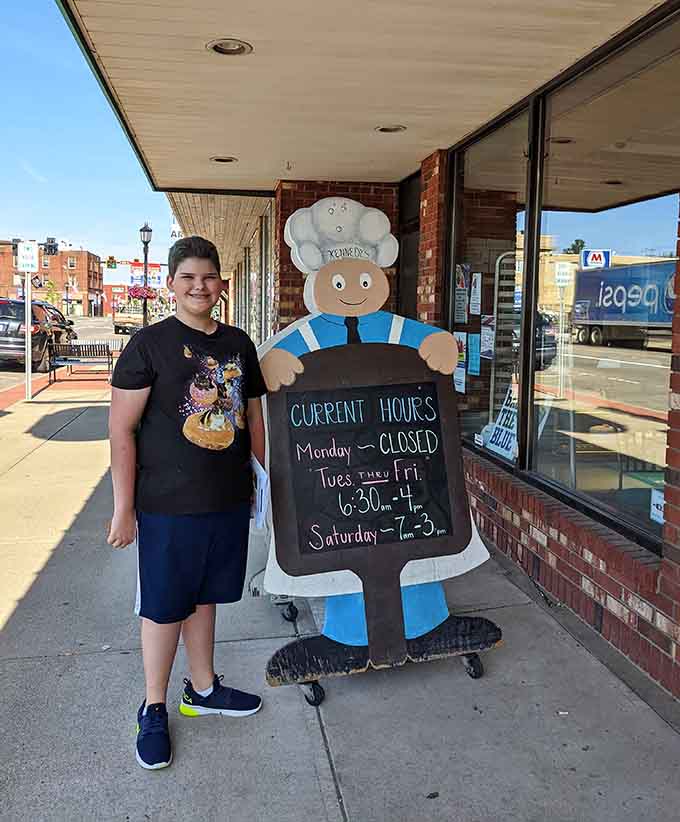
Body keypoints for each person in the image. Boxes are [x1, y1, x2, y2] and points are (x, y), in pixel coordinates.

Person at [107, 235, 267, 770]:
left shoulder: (240, 345)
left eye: (209, 277)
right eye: (188, 277)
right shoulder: (148, 346)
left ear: (222, 284)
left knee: (206, 597)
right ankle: (153, 705)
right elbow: (121, 430)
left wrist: (265, 482)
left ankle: (201, 690)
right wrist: (123, 507)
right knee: (164, 604)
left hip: (226, 500)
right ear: (171, 284)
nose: (200, 286)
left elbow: (254, 419)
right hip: (166, 505)